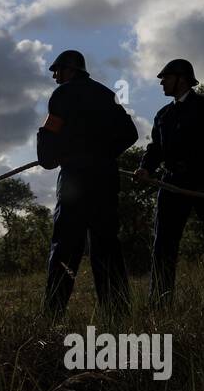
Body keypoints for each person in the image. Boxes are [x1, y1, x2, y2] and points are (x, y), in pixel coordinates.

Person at [134, 58, 204, 305]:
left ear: (181, 79)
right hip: (172, 185)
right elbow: (155, 148)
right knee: (163, 246)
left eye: (165, 77)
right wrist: (145, 168)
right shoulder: (163, 115)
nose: (161, 82)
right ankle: (160, 304)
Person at [37, 49, 138, 315]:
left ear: (70, 70)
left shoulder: (63, 94)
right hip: (105, 181)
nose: (55, 76)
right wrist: (105, 155)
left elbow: (50, 135)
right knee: (107, 247)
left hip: (74, 184)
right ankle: (118, 314)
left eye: (57, 70)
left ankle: (53, 314)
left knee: (65, 250)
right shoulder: (106, 94)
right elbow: (130, 132)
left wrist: (51, 158)